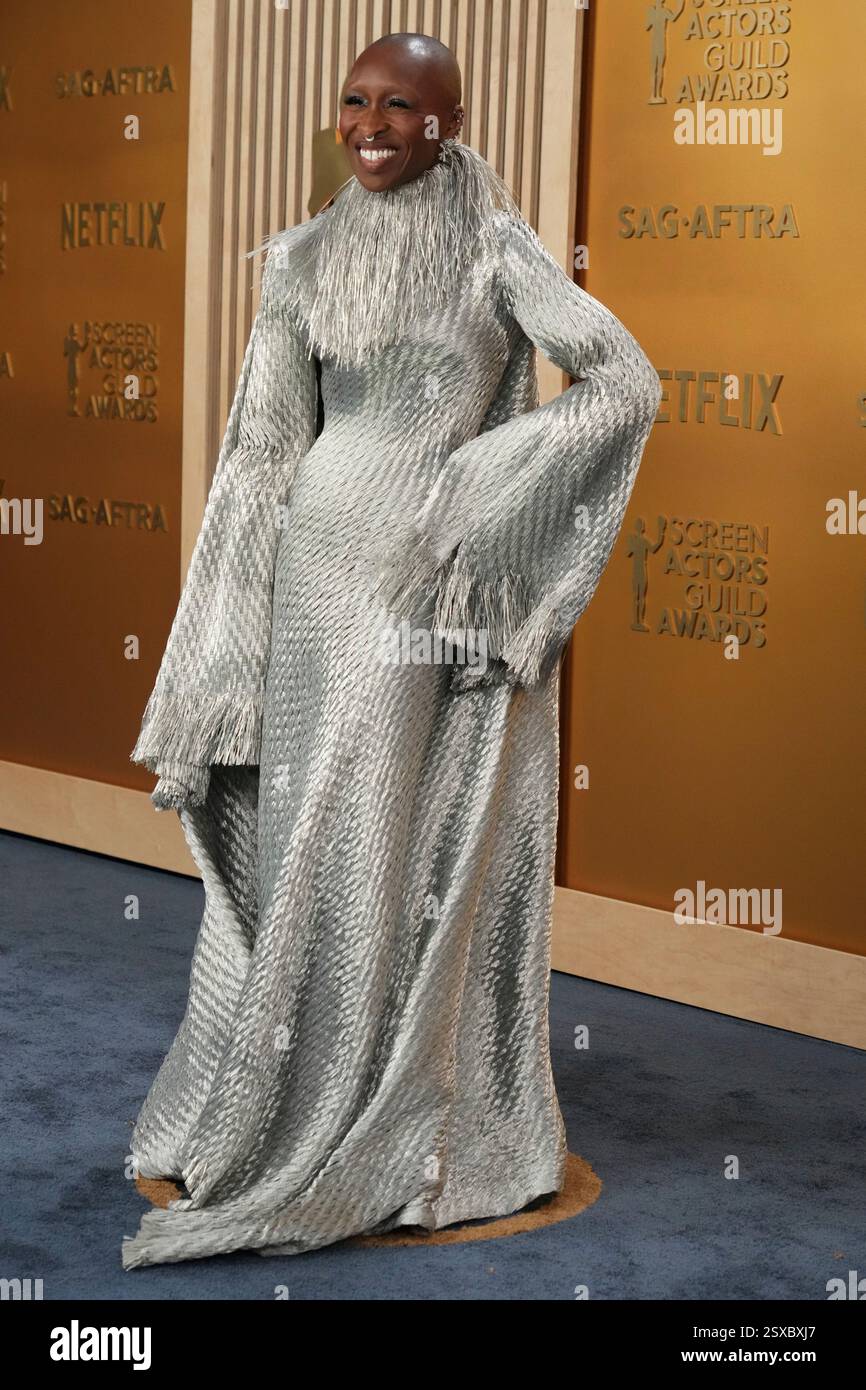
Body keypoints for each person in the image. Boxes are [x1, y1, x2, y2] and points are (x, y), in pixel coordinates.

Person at [122, 32, 661, 1269]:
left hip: (413, 587)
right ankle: (270, 1096)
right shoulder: (303, 258)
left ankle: (377, 1120)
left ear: (448, 122)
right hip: (311, 574)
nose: (371, 125)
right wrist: (226, 634)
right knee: (312, 810)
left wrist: (479, 485)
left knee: (370, 829)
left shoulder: (493, 248)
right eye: (355, 104)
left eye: (399, 108)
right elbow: (262, 450)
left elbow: (623, 380)